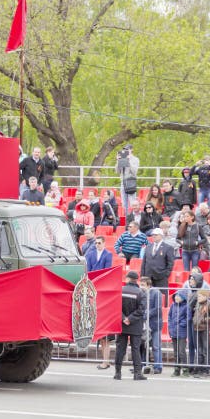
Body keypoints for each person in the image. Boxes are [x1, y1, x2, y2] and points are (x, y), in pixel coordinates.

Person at [113, 271, 147, 381]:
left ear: (127, 279)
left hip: (122, 324)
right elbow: (141, 310)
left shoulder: (121, 290)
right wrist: (130, 319)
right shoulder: (141, 293)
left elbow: (116, 306)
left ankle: (117, 373)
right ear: (136, 280)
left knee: (120, 349)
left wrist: (124, 318)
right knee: (135, 349)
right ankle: (137, 374)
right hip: (135, 325)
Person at [86, 236, 113, 370]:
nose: (97, 245)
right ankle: (105, 360)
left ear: (104, 243)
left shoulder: (108, 254)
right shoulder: (90, 254)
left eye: (99, 243)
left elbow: (107, 269)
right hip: (93, 280)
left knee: (105, 339)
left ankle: (106, 360)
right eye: (96, 243)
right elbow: (89, 269)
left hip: (101, 281)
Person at [140, 276, 163, 375]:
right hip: (144, 324)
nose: (141, 287)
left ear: (149, 285)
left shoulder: (156, 293)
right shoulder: (141, 293)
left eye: (143, 285)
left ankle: (158, 366)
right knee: (144, 346)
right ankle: (143, 366)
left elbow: (157, 308)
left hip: (155, 324)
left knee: (155, 346)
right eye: (140, 284)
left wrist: (146, 314)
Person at [141, 227, 175, 294]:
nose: (153, 236)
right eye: (153, 235)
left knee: (162, 296)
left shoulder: (168, 248)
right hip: (148, 277)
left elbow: (170, 263)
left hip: (161, 277)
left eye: (156, 235)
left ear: (161, 236)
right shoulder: (148, 247)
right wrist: (143, 275)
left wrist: (165, 275)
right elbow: (144, 262)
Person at [168, 289, 190, 377]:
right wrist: (170, 326)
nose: (176, 297)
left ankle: (185, 369)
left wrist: (181, 324)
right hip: (173, 330)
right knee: (175, 352)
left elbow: (188, 318)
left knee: (181, 351)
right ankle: (176, 369)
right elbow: (169, 316)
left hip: (182, 331)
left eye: (179, 296)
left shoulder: (186, 306)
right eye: (176, 296)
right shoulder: (173, 306)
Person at [115, 144, 139, 213]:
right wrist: (118, 161)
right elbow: (117, 171)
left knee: (132, 202)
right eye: (125, 150)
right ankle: (125, 219)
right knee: (124, 204)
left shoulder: (135, 159)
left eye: (128, 149)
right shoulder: (122, 158)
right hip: (123, 182)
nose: (126, 151)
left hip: (131, 182)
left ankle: (133, 219)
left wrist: (129, 160)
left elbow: (134, 171)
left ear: (131, 150)